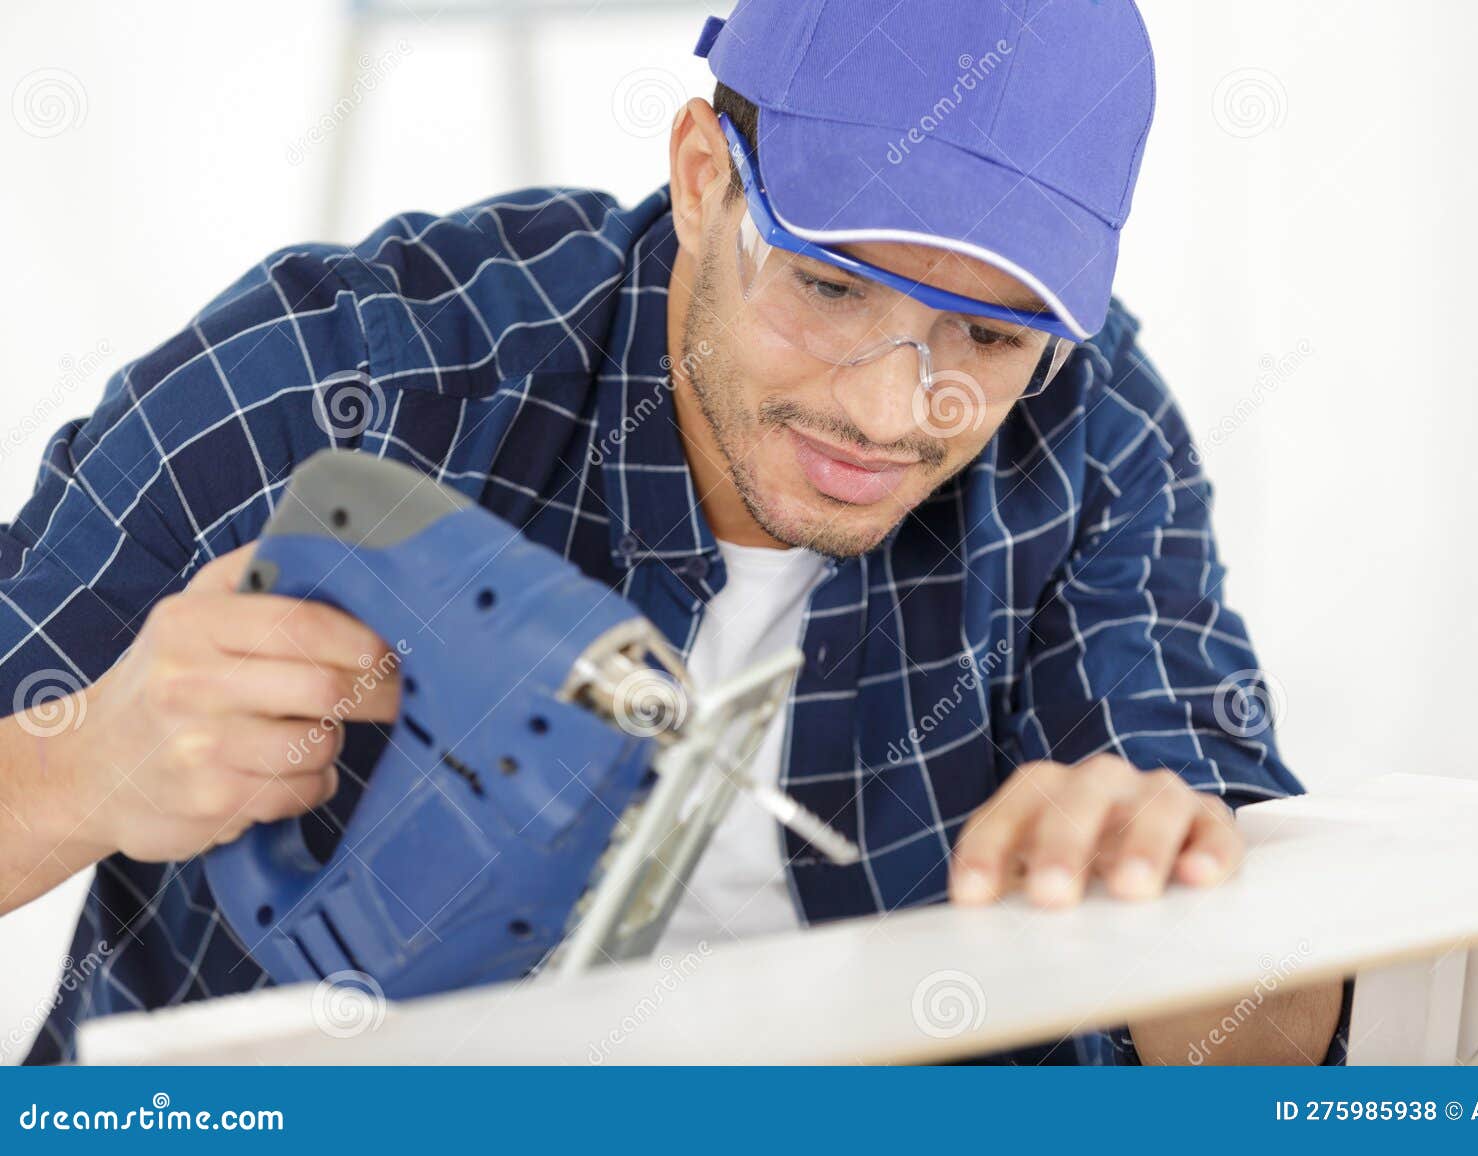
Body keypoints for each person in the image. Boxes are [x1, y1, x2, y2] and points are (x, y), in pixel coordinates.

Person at [0, 0, 1346, 1064]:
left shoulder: (1090, 436)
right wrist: (80, 774)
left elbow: (1264, 1062)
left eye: (988, 337)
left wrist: (1188, 915)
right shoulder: (339, 380)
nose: (890, 411)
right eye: (827, 283)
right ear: (705, 175)